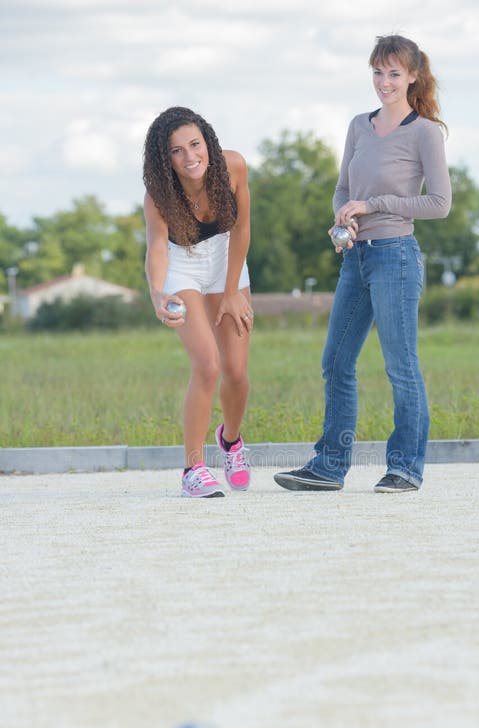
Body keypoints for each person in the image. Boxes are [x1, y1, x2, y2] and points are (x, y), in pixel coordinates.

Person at [274, 33, 451, 494]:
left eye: (394, 73)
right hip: (356, 260)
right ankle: (329, 466)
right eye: (378, 71)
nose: (384, 82)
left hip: (396, 258)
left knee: (400, 365)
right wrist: (344, 218)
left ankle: (405, 468)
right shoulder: (359, 125)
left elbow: (439, 203)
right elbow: (342, 188)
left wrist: (374, 205)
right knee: (335, 360)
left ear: (413, 76)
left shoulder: (424, 132)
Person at [143, 106, 253, 498]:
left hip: (227, 260)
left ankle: (231, 442)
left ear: (207, 141)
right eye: (177, 151)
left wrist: (230, 292)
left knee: (236, 373)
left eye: (195, 144)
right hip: (183, 265)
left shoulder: (234, 166)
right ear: (165, 159)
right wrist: (158, 292)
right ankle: (193, 467)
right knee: (208, 365)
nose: (190, 157)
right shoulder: (159, 193)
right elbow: (157, 247)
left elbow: (241, 230)